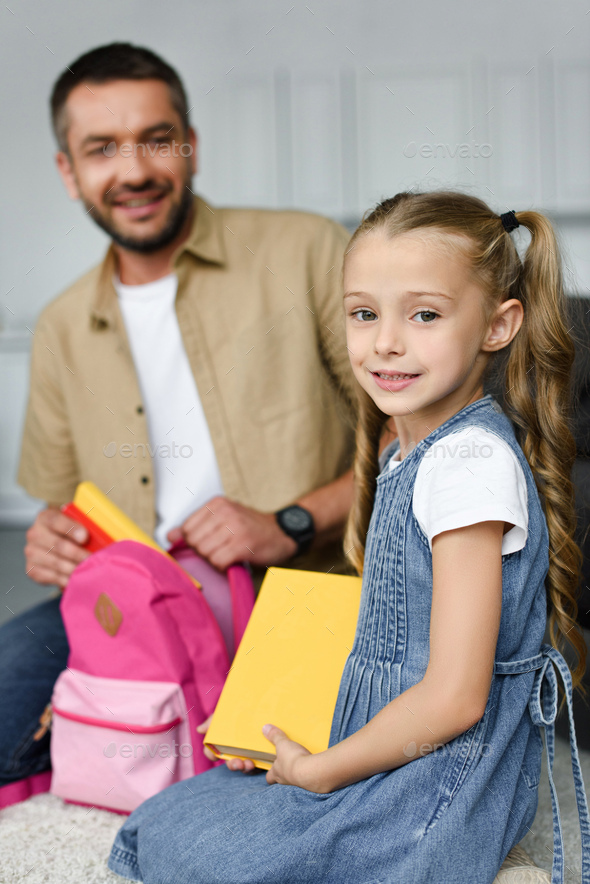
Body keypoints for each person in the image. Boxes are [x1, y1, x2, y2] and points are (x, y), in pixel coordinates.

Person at [108, 190, 590, 884]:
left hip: (440, 780)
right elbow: (393, 642)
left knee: (185, 856)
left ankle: (478, 861)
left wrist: (323, 772)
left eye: (424, 315)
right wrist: (293, 742)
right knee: (167, 821)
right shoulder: (411, 448)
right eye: (364, 313)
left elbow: (455, 698)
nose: (386, 341)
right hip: (391, 746)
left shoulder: (468, 465)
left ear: (498, 325)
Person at [0, 43, 359, 794]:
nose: (133, 171)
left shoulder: (306, 249)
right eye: (101, 148)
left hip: (306, 587)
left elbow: (411, 438)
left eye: (155, 140)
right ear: (69, 171)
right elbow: (58, 502)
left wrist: (290, 521)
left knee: (274, 779)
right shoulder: (64, 323)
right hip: (134, 606)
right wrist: (51, 539)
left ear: (189, 147)